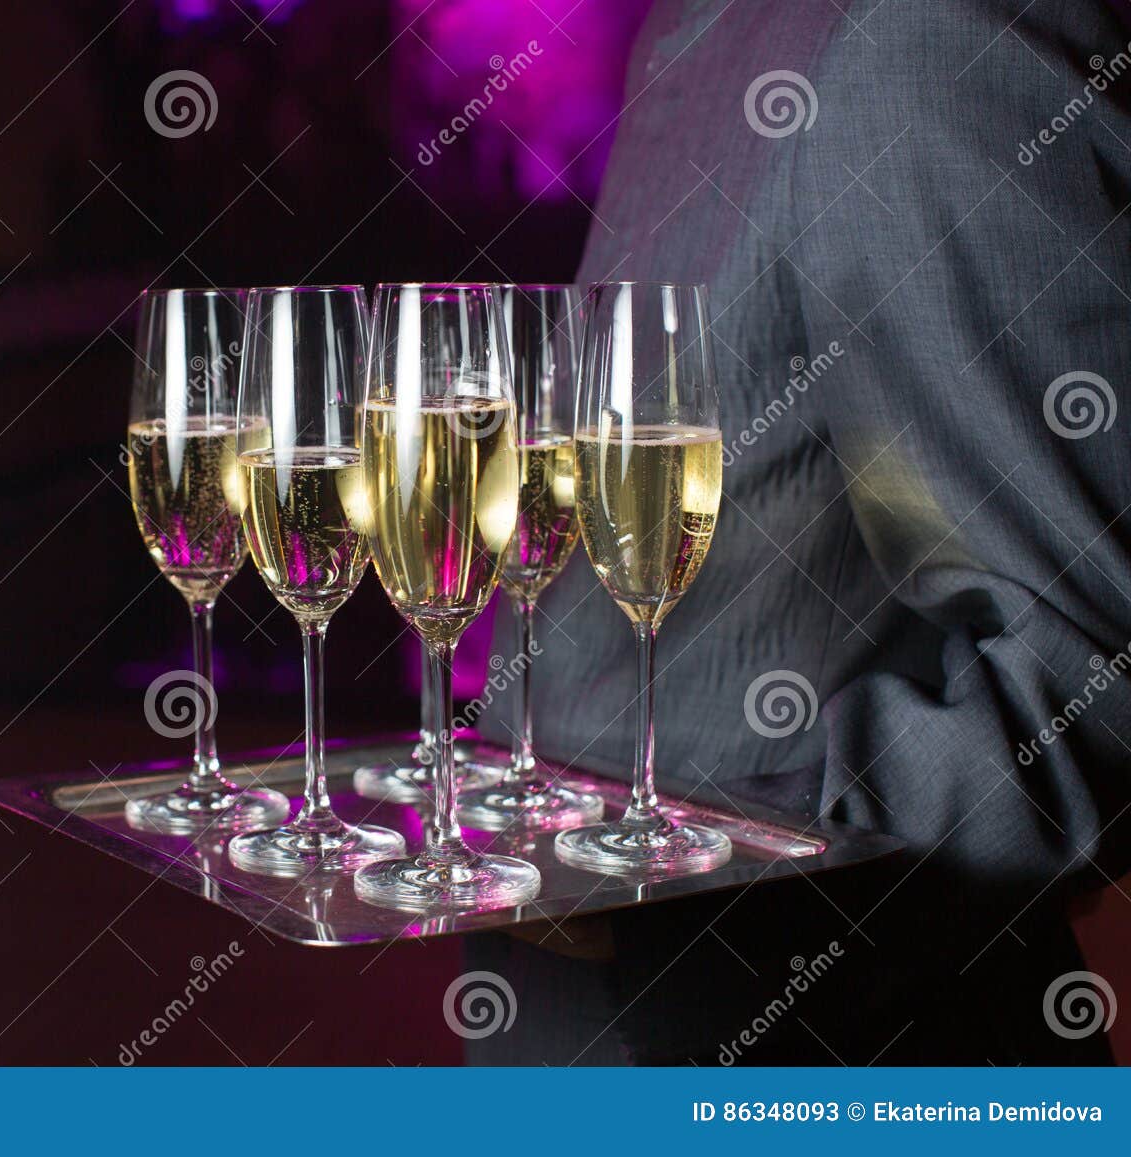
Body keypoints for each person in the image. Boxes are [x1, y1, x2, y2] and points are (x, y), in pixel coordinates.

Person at [472, 0, 1131, 1064]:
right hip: (567, 1016)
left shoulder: (918, 38)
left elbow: (1097, 677)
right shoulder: (692, 32)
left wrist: (692, 897)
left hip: (819, 1047)